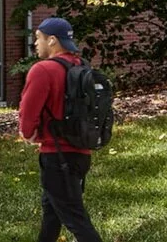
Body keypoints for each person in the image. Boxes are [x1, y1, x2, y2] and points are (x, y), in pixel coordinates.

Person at [19, 17, 105, 242]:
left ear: (53, 40)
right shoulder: (81, 66)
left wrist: (28, 135)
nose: (35, 44)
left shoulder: (43, 70)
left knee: (75, 219)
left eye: (38, 38)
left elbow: (28, 114)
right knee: (52, 214)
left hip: (57, 157)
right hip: (80, 154)